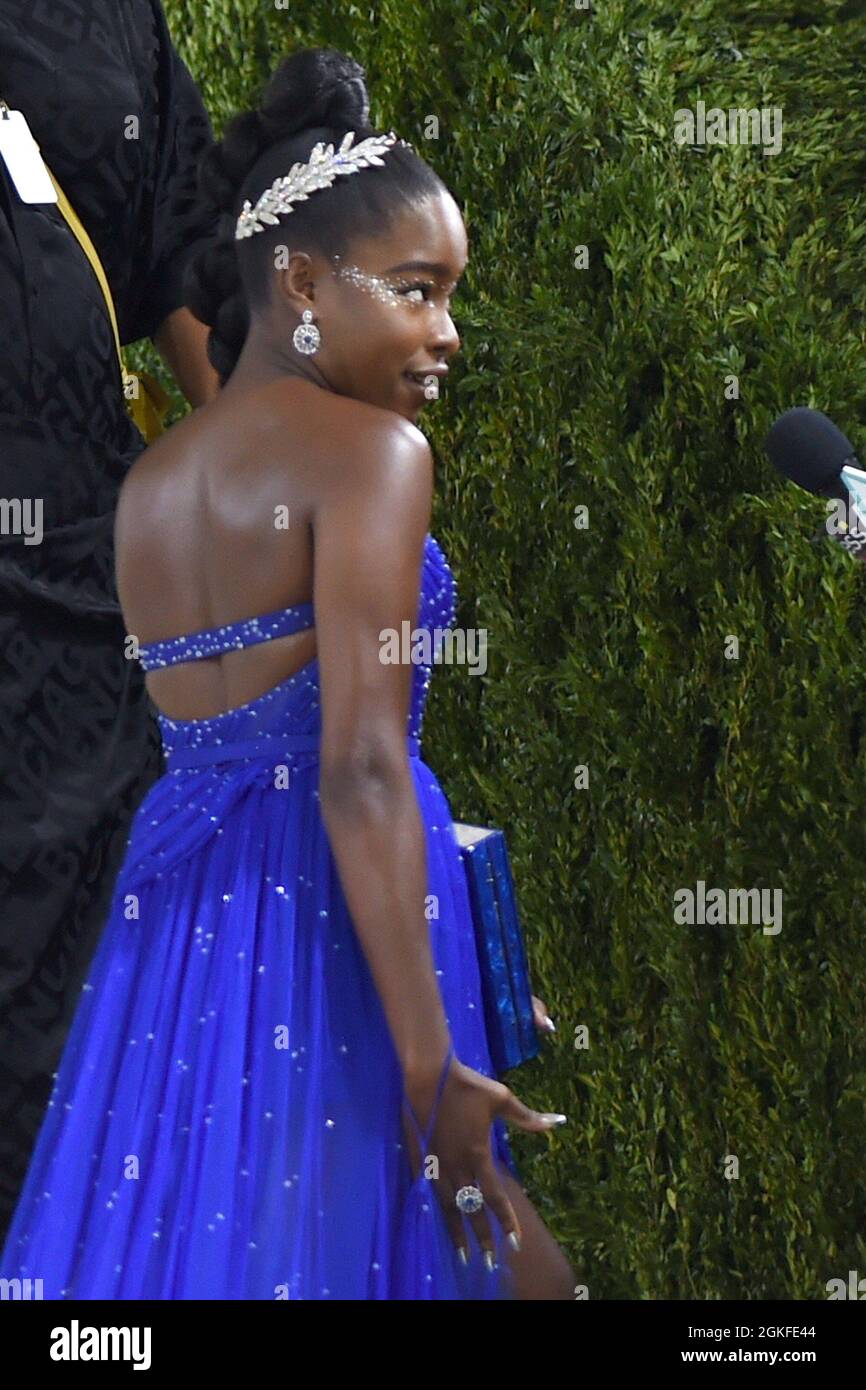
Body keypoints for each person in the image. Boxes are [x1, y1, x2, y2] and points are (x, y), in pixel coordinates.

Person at [0, 47, 575, 1300]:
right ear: (304, 282)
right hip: (334, 913)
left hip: (180, 932)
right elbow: (360, 767)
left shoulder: (155, 483)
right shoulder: (372, 456)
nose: (446, 332)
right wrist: (429, 1061)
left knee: (199, 1256)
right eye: (419, 290)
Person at [0, 0, 220, 1245]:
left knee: (88, 1031)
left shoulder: (104, 21)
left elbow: (182, 256)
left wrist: (283, 472)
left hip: (87, 610)